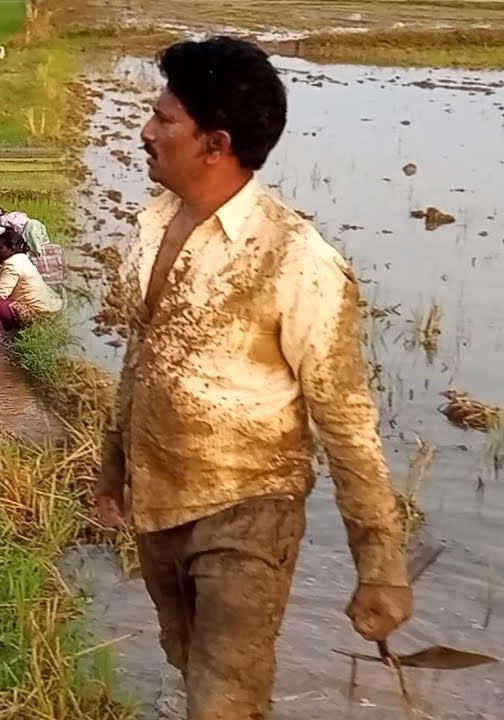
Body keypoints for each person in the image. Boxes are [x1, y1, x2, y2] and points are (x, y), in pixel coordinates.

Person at [93, 37, 410, 720]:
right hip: (162, 500)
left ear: (216, 142)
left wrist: (380, 564)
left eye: (165, 119)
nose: (146, 132)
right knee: (185, 664)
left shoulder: (296, 260)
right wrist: (113, 465)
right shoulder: (150, 226)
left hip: (250, 508)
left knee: (221, 699)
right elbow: (142, 359)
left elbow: (347, 420)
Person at [0, 230, 61, 351]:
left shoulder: (13, 265)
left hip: (37, 313)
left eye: (0, 247)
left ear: (12, 248)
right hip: (45, 309)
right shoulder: (20, 260)